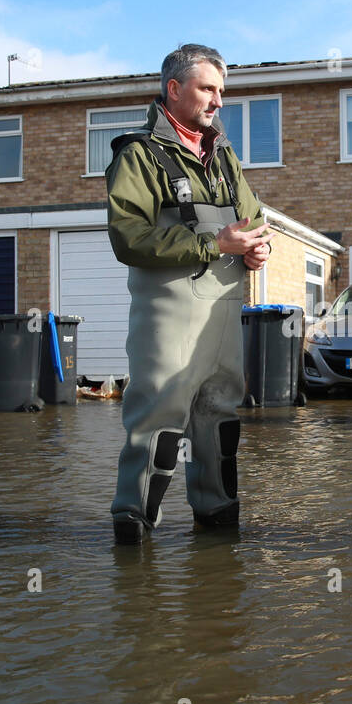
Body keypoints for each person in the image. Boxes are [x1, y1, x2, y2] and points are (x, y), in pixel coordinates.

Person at [106, 44, 273, 544]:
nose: (218, 101)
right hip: (169, 318)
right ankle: (133, 538)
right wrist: (213, 243)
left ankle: (218, 533)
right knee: (157, 421)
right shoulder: (138, 154)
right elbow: (128, 236)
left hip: (224, 314)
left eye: (222, 91)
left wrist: (257, 249)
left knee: (219, 422)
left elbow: (256, 219)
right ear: (174, 89)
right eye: (207, 89)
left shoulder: (224, 155)